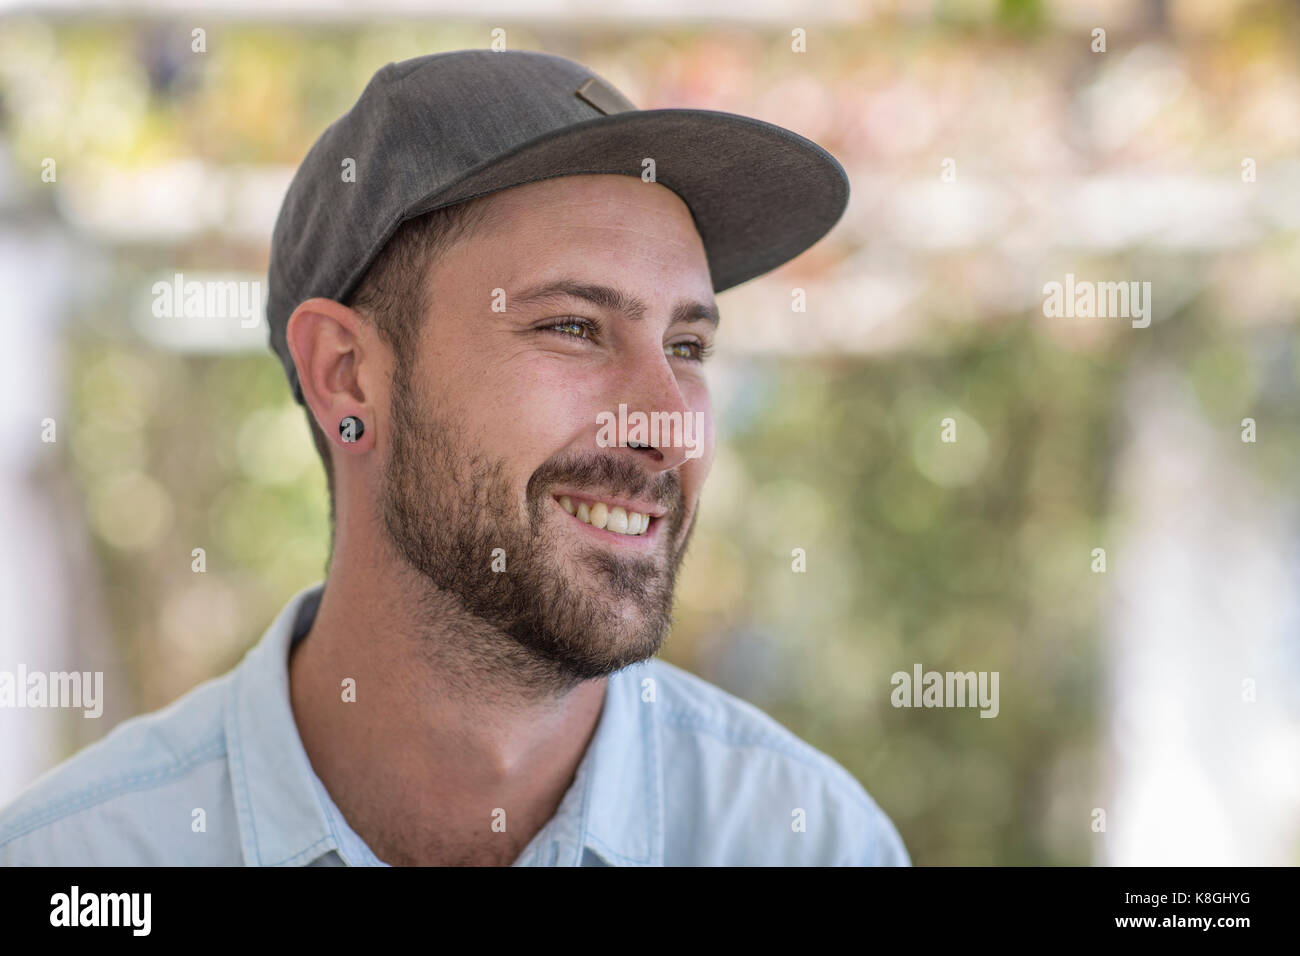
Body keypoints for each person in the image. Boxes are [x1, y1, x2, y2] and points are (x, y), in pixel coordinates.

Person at [0, 49, 908, 866]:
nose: (669, 426)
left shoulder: (811, 840)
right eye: (573, 327)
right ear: (348, 378)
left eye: (688, 347)